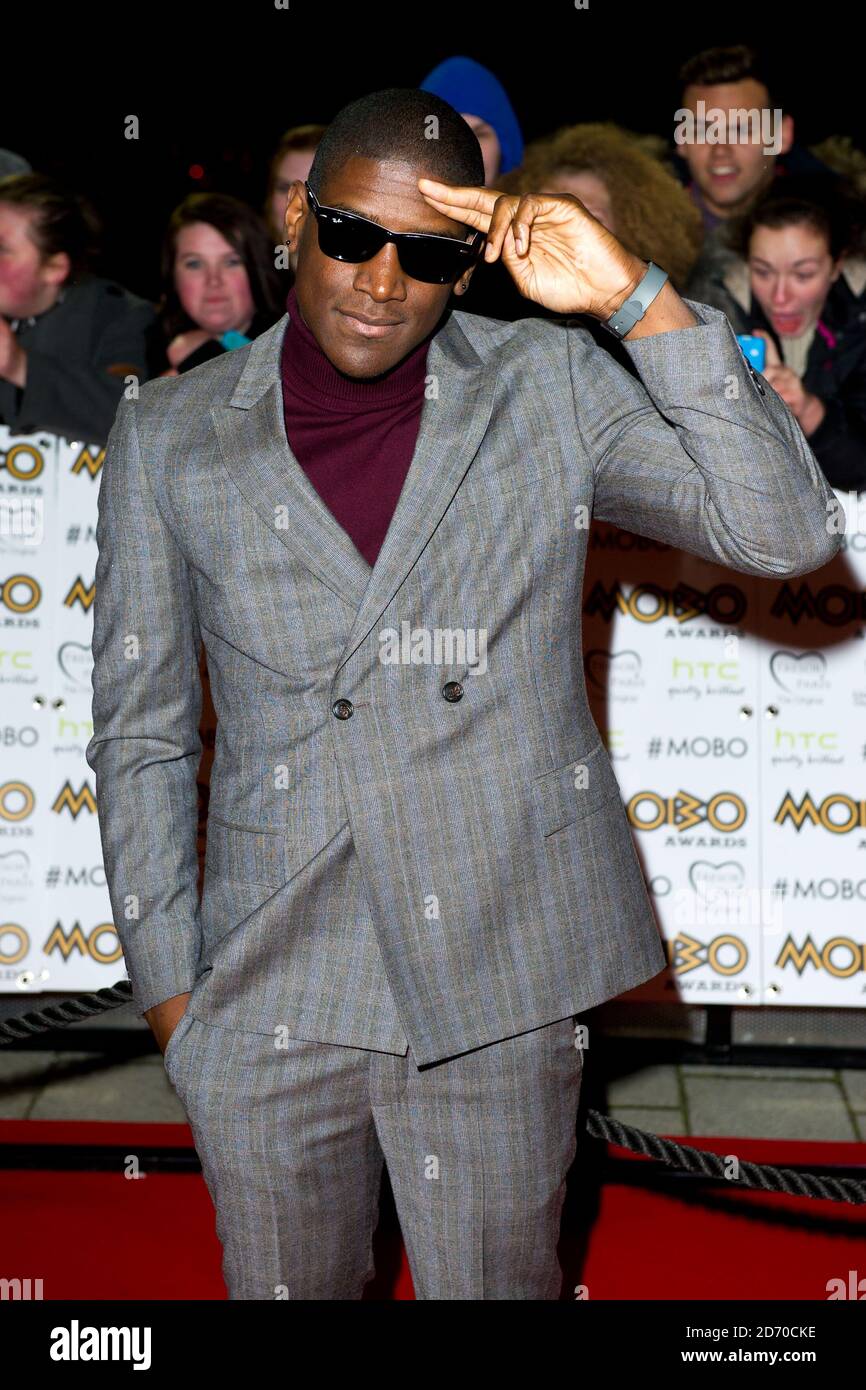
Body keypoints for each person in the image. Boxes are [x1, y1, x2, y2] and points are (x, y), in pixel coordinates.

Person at [85, 87, 842, 1301]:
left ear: (465, 262)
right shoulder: (170, 435)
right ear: (301, 220)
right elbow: (140, 733)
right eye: (350, 238)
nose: (381, 281)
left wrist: (628, 298)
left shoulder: (543, 386)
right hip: (272, 984)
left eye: (427, 253)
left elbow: (783, 532)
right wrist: (178, 995)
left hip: (498, 968)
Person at [719, 179, 866, 491]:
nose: (780, 297)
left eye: (803, 274)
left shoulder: (860, 327)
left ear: (836, 266)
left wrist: (807, 411)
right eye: (762, 271)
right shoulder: (714, 317)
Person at [0, 174, 154, 443]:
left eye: (1, 248)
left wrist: (19, 366)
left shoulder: (115, 314)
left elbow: (129, 415)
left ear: (55, 268)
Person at [146, 192, 285, 377]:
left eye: (231, 262)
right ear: (173, 276)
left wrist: (200, 356)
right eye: (194, 264)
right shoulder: (137, 344)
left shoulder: (298, 343)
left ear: (257, 271)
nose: (214, 281)